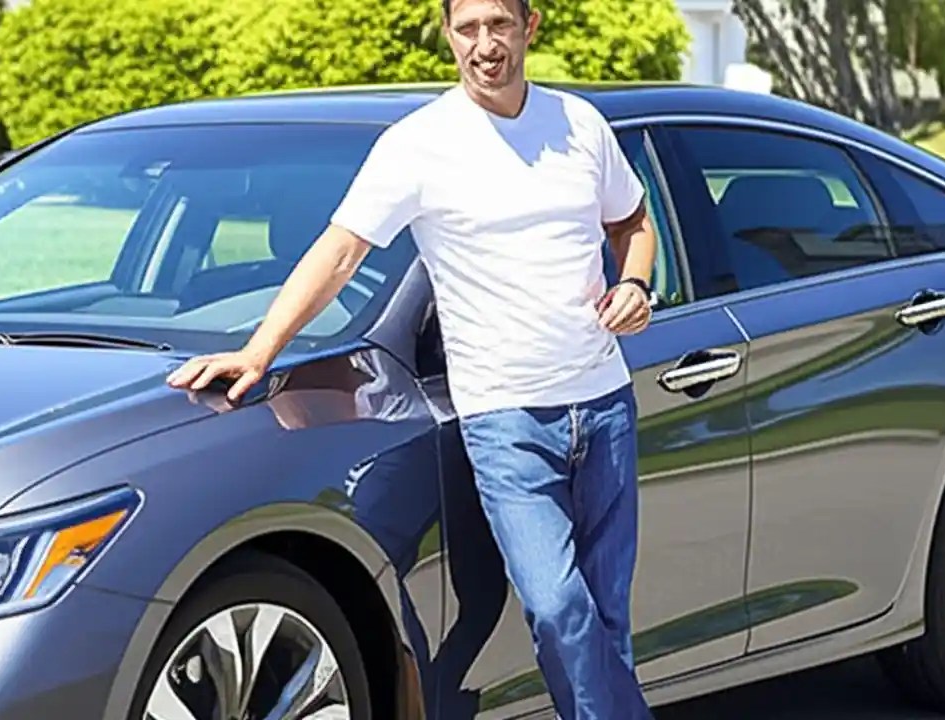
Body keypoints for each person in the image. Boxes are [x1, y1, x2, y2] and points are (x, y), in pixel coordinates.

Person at [166, 0, 659, 716]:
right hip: (507, 419)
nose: (484, 44)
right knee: (558, 609)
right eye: (468, 29)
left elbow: (633, 223)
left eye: (499, 25)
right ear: (448, 35)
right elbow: (341, 253)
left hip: (606, 404)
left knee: (607, 618)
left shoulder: (579, 124)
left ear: (531, 26)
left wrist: (637, 282)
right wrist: (258, 349)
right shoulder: (418, 144)